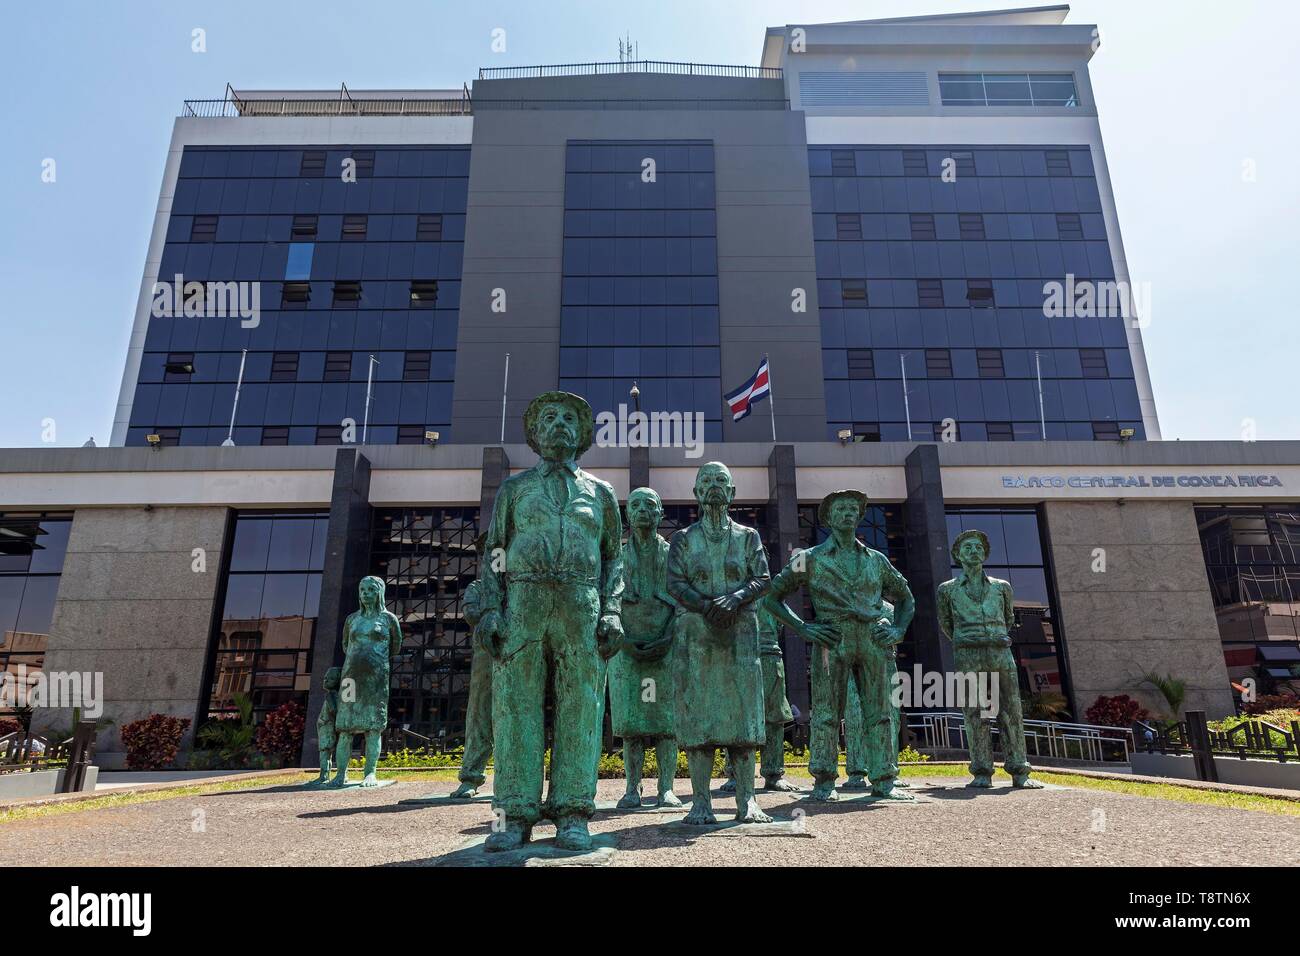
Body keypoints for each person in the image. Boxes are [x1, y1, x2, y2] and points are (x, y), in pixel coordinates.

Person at [476, 392, 624, 851]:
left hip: (581, 602)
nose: (559, 424)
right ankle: (514, 816)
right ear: (535, 434)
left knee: (581, 707)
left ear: (582, 435)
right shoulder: (515, 490)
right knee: (515, 707)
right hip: (524, 599)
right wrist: (490, 609)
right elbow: (493, 553)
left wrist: (613, 609)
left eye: (569, 419)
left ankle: (573, 813)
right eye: (549, 418)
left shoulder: (601, 493)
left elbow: (614, 560)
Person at [763, 490, 915, 801]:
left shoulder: (876, 560)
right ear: (829, 518)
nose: (847, 513)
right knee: (826, 712)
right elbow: (771, 597)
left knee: (879, 711)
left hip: (872, 638)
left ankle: (884, 779)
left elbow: (906, 599)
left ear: (860, 516)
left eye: (852, 509)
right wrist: (804, 628)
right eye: (840, 509)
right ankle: (823, 780)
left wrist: (898, 630)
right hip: (832, 639)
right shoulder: (810, 558)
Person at [668, 462, 773, 826]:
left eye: (721, 482)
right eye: (706, 481)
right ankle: (701, 803)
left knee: (743, 718)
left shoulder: (748, 537)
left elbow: (762, 578)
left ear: (731, 493)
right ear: (696, 492)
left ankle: (748, 801)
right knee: (700, 718)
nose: (713, 486)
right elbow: (675, 584)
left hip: (740, 634)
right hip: (697, 637)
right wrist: (706, 605)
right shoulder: (682, 538)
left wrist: (735, 598)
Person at [937, 529, 1043, 790]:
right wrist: (969, 639)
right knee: (975, 712)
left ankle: (1020, 770)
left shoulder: (1001, 587)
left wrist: (993, 636)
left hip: (999, 652)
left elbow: (1008, 619)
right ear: (958, 555)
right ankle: (982, 770)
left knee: (1010, 711)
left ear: (984, 553)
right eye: (968, 547)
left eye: (978, 547)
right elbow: (946, 624)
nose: (973, 551)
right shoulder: (947, 590)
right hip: (968, 653)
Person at [609, 487, 682, 809]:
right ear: (627, 514)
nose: (642, 510)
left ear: (660, 513)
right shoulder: (614, 556)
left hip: (667, 648)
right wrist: (623, 640)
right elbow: (604, 601)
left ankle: (666, 788)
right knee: (631, 726)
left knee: (668, 724)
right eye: (635, 505)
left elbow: (686, 600)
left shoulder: (675, 555)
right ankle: (632, 788)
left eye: (649, 505)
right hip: (625, 650)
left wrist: (669, 637)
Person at [328, 576, 402, 788]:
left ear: (379, 592)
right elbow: (345, 645)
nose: (366, 593)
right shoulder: (352, 620)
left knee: (373, 726)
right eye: (362, 590)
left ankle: (370, 773)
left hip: (376, 681)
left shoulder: (389, 620)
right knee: (345, 726)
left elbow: (395, 646)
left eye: (371, 589)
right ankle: (341, 773)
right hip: (350, 679)